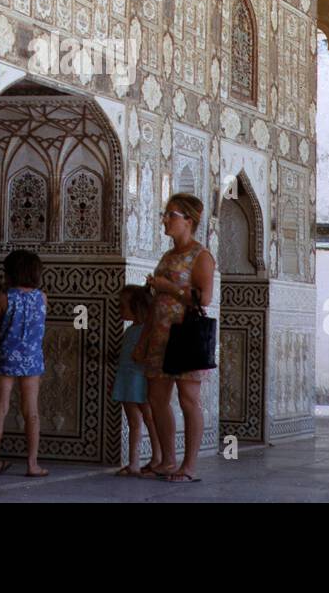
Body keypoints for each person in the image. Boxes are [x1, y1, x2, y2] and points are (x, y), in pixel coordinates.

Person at [132, 192, 216, 482]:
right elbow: (156, 301)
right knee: (156, 399)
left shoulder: (201, 256)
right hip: (159, 335)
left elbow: (203, 298)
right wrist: (144, 338)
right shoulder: (168, 256)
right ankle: (167, 460)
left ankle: (189, 466)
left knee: (188, 398)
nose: (165, 220)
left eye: (171, 215)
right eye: (165, 214)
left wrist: (169, 288)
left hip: (185, 336)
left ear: (188, 221)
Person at [0, 249, 48, 478]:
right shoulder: (41, 297)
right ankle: (32, 465)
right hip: (31, 358)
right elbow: (40, 325)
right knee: (31, 412)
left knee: (0, 408)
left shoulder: (4, 297)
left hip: (6, 356)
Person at [111, 284, 164, 477]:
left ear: (137, 308)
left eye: (123, 306)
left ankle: (157, 458)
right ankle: (134, 463)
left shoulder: (145, 330)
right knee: (134, 421)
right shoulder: (131, 331)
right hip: (127, 379)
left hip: (140, 380)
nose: (120, 310)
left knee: (149, 419)